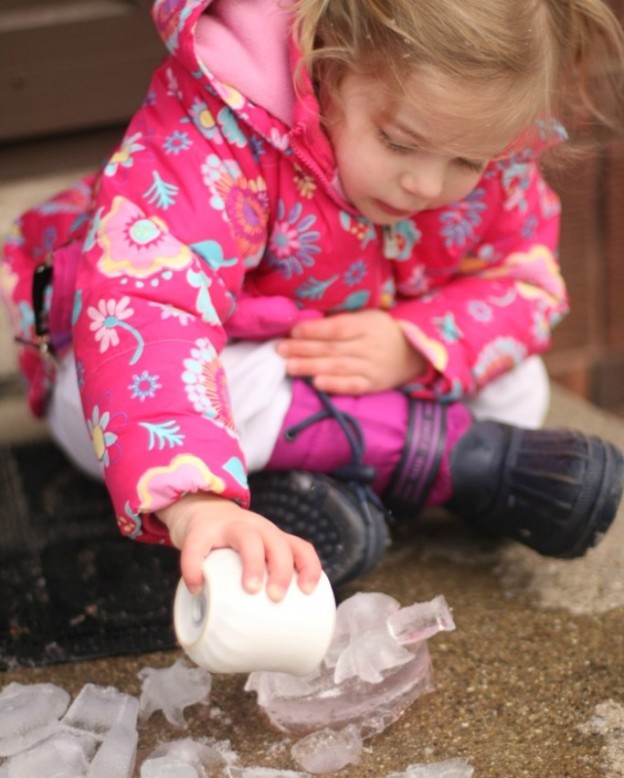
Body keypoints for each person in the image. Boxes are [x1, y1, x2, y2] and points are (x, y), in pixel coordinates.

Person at [2, 0, 624, 605]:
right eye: (400, 143)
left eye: (467, 160)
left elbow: (526, 283)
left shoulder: (490, 142)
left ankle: (330, 479)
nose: (428, 186)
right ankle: (423, 458)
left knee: (520, 383)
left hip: (350, 354)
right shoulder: (217, 127)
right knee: (152, 400)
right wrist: (198, 507)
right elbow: (147, 307)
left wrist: (417, 342)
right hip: (173, 365)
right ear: (327, 65)